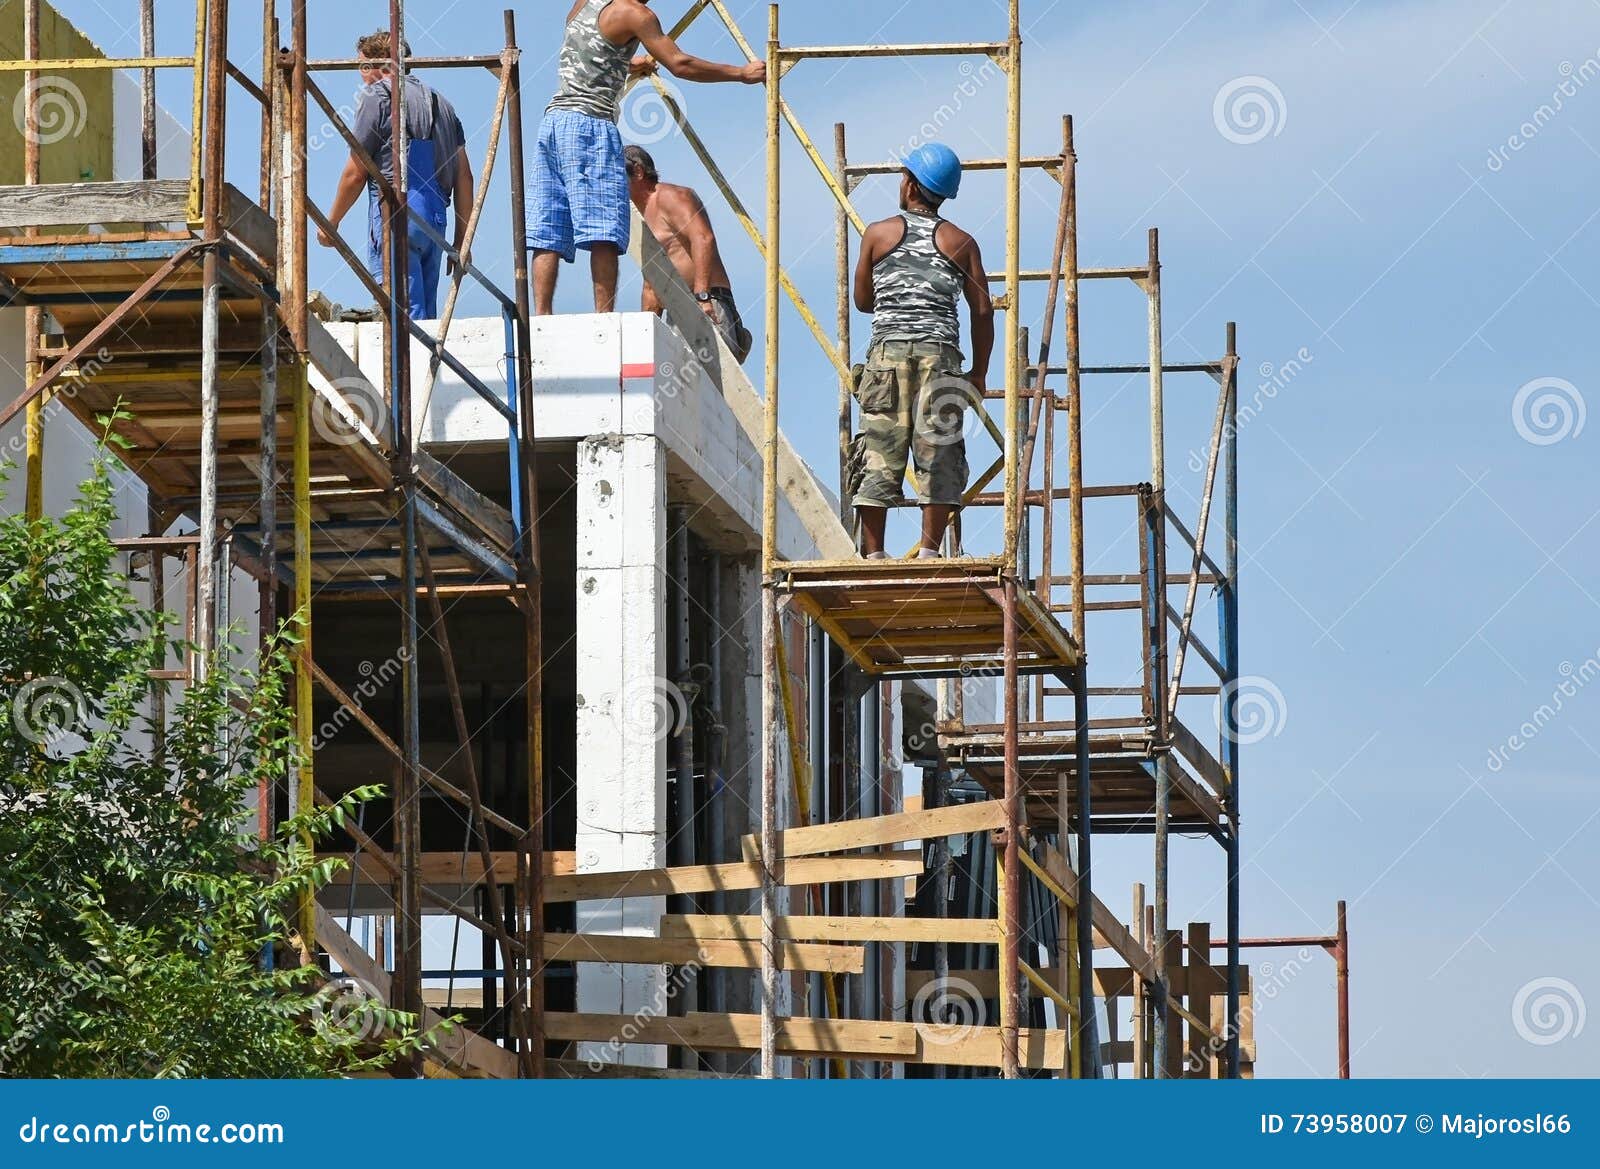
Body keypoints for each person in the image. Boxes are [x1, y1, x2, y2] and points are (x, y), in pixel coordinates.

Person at [532, 0, 765, 315]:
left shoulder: (583, 4)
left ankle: (541, 317)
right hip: (591, 124)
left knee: (549, 228)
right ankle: (603, 318)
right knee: (604, 228)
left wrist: (628, 64)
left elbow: (587, 53)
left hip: (553, 122)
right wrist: (741, 73)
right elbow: (680, 64)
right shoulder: (637, 14)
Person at [850, 143, 993, 559]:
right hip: (940, 357)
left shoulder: (878, 234)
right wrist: (979, 373)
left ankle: (874, 554)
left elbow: (862, 300)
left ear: (911, 184)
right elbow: (982, 310)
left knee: (879, 448)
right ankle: (930, 551)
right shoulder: (961, 242)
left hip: (888, 357)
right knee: (939, 448)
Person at [318, 30, 473, 322]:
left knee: (401, 317)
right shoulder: (443, 104)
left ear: (379, 65)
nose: (361, 76)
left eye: (363, 67)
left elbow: (356, 172)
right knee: (424, 318)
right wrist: (462, 241)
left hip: (396, 214)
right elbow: (464, 177)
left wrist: (331, 223)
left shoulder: (377, 96)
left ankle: (403, 354)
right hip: (435, 223)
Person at [624, 145, 752, 362]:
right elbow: (651, 283)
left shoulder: (670, 197)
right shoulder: (638, 219)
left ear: (637, 171)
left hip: (706, 303)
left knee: (708, 380)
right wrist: (645, 335)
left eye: (614, 174)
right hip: (677, 312)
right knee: (682, 382)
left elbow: (703, 238)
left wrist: (703, 296)